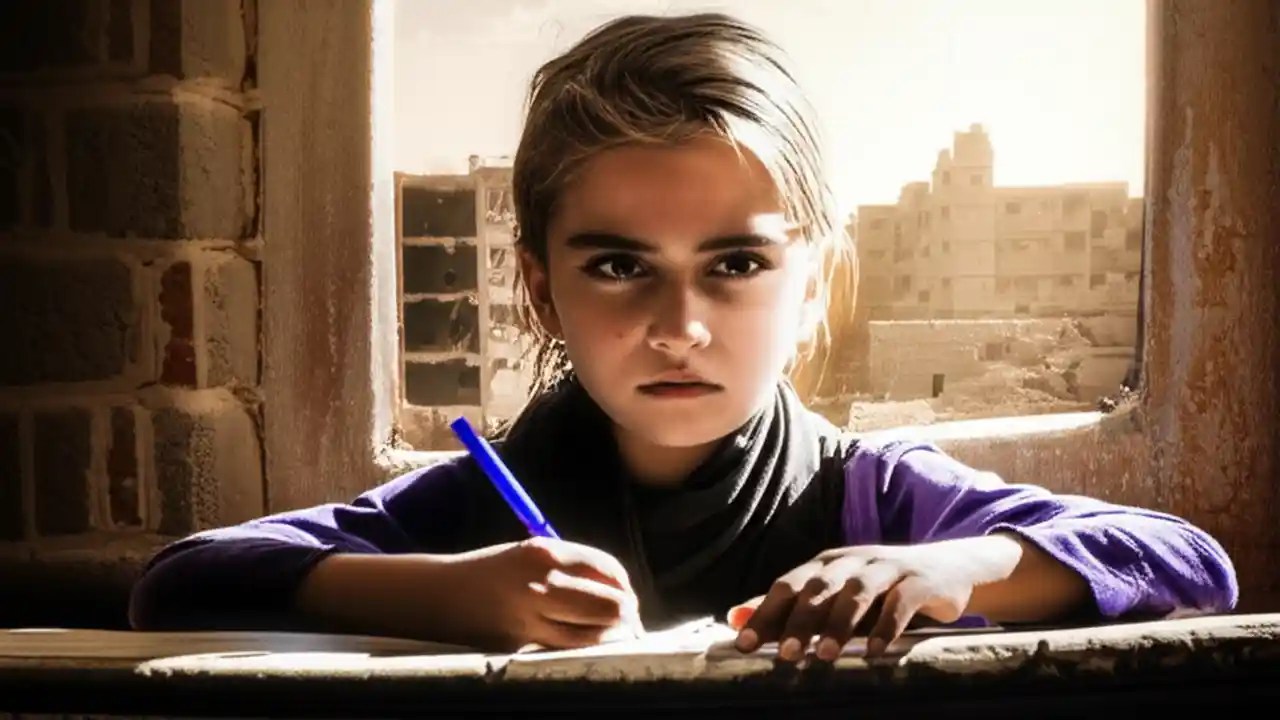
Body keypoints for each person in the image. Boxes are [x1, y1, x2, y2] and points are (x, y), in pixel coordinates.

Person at [128, 12, 1237, 663]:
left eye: (737, 264)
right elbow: (179, 585)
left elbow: (1191, 566)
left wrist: (944, 568)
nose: (677, 327)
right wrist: (451, 592)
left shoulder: (877, 504)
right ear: (539, 291)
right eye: (617, 266)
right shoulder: (480, 509)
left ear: (815, 286)